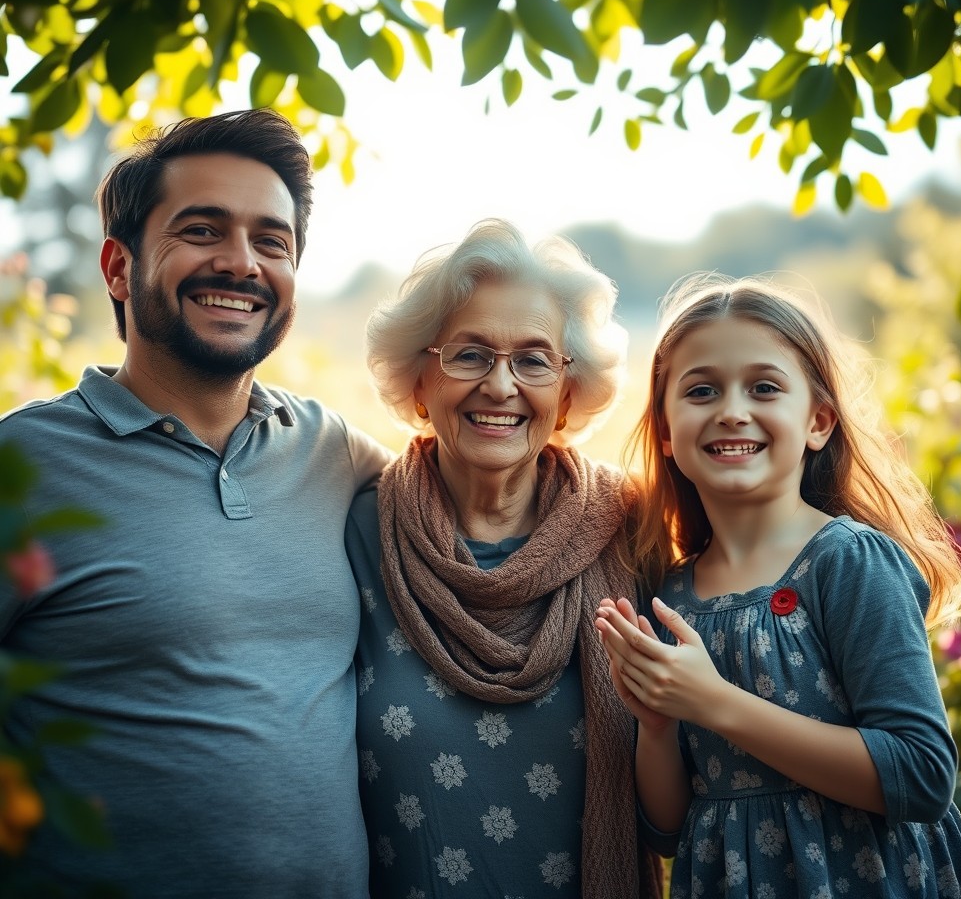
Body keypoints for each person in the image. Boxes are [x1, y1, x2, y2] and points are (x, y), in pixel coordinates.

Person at [0, 110, 390, 897]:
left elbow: (495, 502)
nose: (241, 263)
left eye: (271, 242)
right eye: (202, 230)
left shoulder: (331, 449)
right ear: (119, 267)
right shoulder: (21, 468)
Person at [595, 273, 961, 897]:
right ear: (666, 432)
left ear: (818, 422)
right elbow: (668, 831)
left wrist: (713, 701)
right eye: (700, 390)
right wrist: (660, 725)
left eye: (765, 387)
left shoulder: (848, 563)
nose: (731, 409)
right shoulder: (667, 598)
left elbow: (921, 775)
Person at [345, 218, 661, 898]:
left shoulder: (632, 533)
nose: (500, 385)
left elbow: (678, 804)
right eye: (469, 355)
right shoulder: (358, 531)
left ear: (569, 394)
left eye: (534, 359)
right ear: (419, 384)